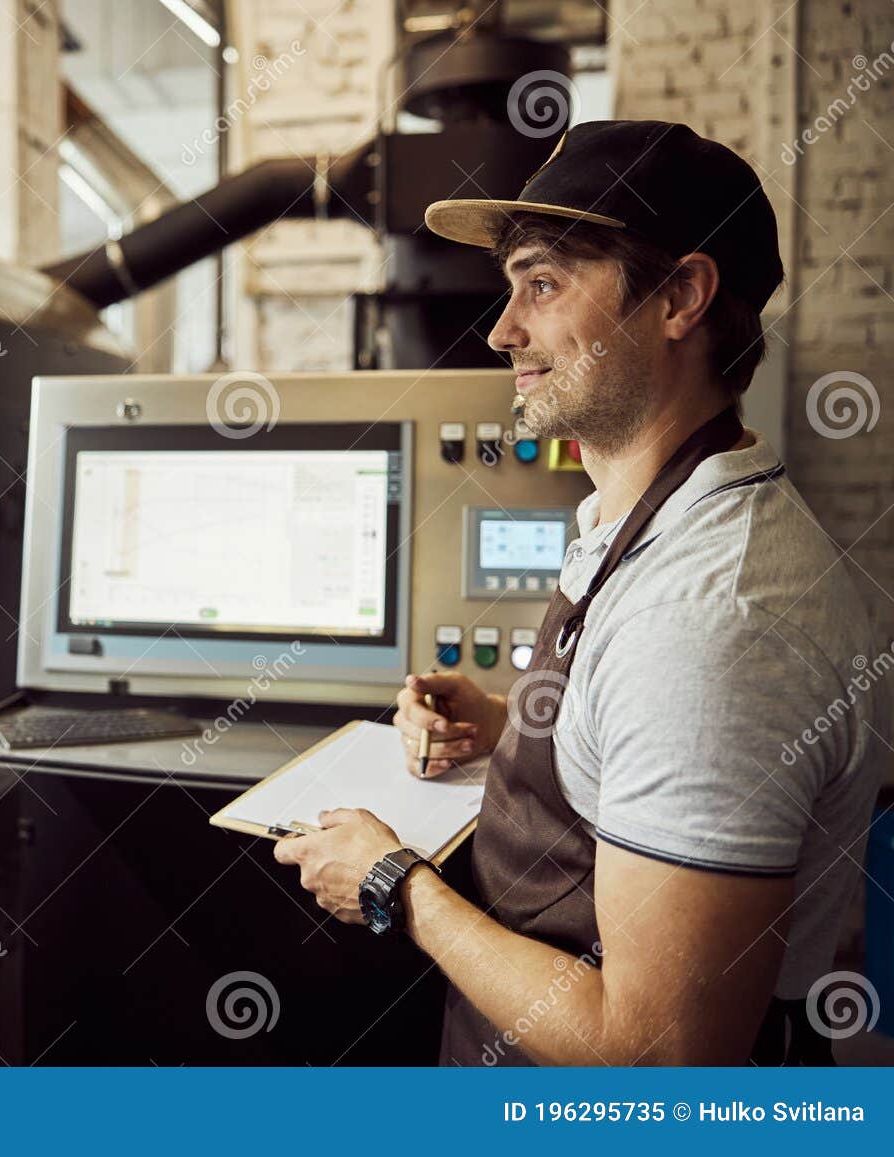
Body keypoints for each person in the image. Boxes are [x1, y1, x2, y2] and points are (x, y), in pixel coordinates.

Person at [273, 120, 886, 1065]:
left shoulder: (714, 623)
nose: (501, 329)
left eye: (545, 284)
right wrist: (520, 723)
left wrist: (399, 882)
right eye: (510, 286)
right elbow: (639, 738)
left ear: (681, 296)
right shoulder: (644, 516)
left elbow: (660, 1057)